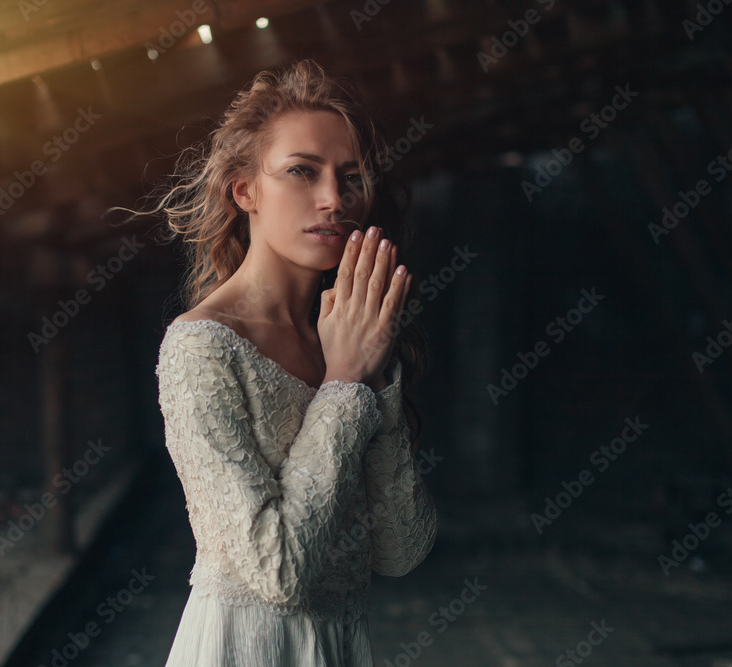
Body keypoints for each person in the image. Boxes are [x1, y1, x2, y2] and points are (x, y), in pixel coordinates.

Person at [153, 59, 437, 666]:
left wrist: (373, 372)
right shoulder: (200, 347)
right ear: (245, 189)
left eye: (351, 177)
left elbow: (402, 548)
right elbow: (277, 571)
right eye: (302, 172)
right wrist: (343, 386)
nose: (335, 199)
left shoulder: (348, 336)